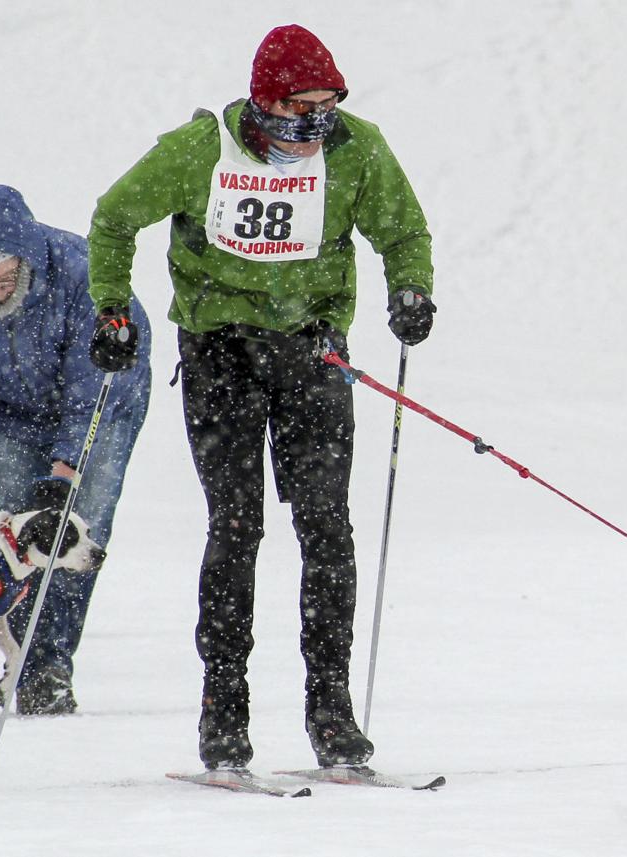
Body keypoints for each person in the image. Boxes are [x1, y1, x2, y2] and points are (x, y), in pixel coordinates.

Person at [86, 25, 435, 771]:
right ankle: (224, 708)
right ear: (263, 103)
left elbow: (404, 232)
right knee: (236, 526)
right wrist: (111, 308)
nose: (314, 126)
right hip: (221, 353)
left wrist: (411, 289)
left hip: (313, 351)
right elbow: (114, 217)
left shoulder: (357, 148)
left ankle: (332, 711)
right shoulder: (199, 151)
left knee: (327, 528)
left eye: (325, 109)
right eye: (297, 111)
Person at [0, 184, 152, 714]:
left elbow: (90, 389)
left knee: (76, 530)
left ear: (24, 258)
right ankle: (26, 660)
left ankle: (50, 667)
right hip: (4, 412)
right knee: (18, 533)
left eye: (3, 279)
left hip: (102, 405)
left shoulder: (80, 273)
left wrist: (64, 470)